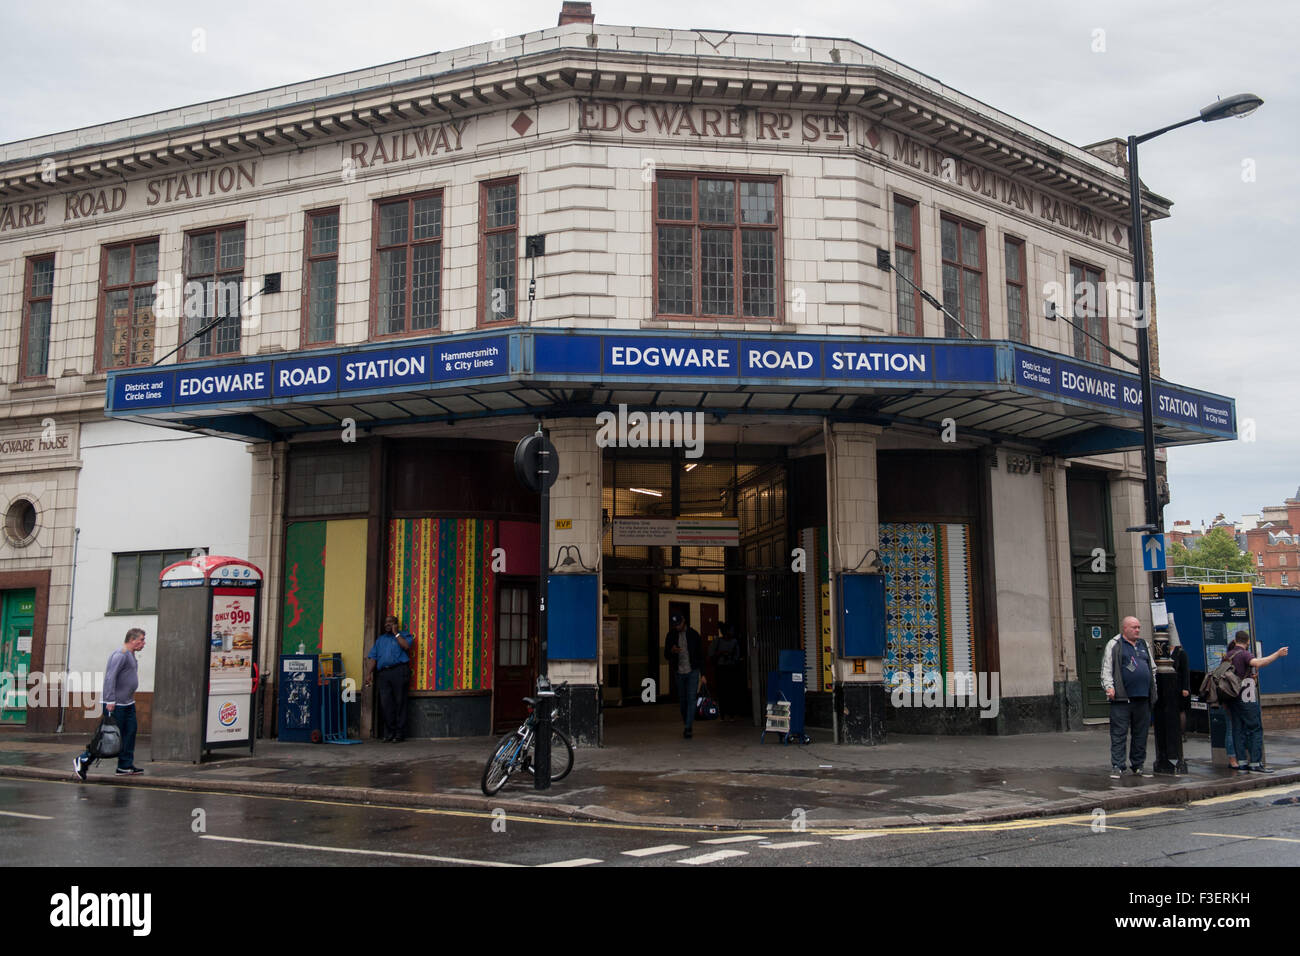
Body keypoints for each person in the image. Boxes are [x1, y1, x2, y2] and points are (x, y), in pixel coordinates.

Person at [74, 628, 147, 780]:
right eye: (141, 640)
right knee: (108, 737)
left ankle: (124, 766)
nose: (143, 643)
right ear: (132, 640)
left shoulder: (131, 655)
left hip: (128, 703)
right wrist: (110, 700)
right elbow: (110, 678)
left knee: (130, 732)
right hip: (115, 704)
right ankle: (83, 760)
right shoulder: (120, 655)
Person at [1223, 630, 1288, 773]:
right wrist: (1277, 654)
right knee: (1255, 729)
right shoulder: (1245, 654)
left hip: (1232, 699)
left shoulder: (1228, 656)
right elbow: (1258, 662)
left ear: (1235, 640)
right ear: (1247, 642)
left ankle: (1241, 763)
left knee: (1237, 730)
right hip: (1246, 698)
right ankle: (1255, 763)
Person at [1100, 616, 1157, 779]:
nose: (1137, 630)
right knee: (1119, 733)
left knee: (1141, 733)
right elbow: (1107, 668)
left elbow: (1152, 668)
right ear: (1125, 628)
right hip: (1122, 699)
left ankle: (1138, 765)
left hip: (1142, 698)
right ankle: (1118, 765)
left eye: (1139, 627)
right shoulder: (1115, 645)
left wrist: (1153, 688)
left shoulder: (1144, 645)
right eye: (1134, 627)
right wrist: (1109, 687)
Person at [363, 615, 415, 742]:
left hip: (399, 671)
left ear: (396, 624)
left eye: (390, 622)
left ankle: (399, 734)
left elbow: (406, 646)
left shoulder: (404, 635)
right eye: (386, 622)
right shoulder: (380, 640)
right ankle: (389, 732)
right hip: (384, 674)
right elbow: (373, 658)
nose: (387, 624)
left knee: (400, 702)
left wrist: (396, 633)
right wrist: (369, 674)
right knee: (386, 704)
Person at [664, 613, 704, 739]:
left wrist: (703, 674)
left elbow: (700, 654)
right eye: (675, 625)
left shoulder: (694, 634)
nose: (677, 627)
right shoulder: (671, 635)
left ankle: (688, 727)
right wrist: (672, 651)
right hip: (679, 672)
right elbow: (666, 655)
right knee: (682, 701)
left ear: (684, 621)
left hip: (693, 670)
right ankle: (687, 720)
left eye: (679, 624)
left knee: (691, 698)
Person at [708, 622, 744, 721]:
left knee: (731, 692)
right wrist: (720, 653)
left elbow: (737, 656)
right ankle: (723, 714)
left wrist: (730, 656)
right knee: (721, 692)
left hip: (731, 669)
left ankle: (731, 714)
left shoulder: (734, 642)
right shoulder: (717, 642)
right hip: (721, 669)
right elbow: (710, 654)